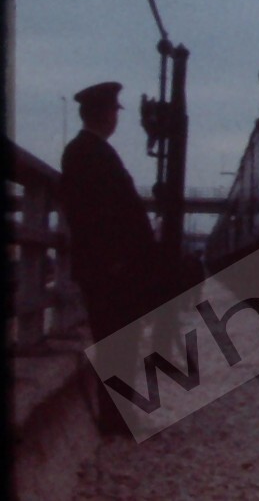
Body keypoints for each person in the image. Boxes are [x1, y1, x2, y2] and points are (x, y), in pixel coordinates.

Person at [58, 81, 161, 437]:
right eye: (114, 111)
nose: (116, 117)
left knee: (120, 342)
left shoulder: (88, 151)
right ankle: (116, 421)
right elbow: (93, 215)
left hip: (111, 267)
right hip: (110, 269)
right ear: (103, 114)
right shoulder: (87, 153)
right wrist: (115, 260)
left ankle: (119, 418)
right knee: (117, 343)